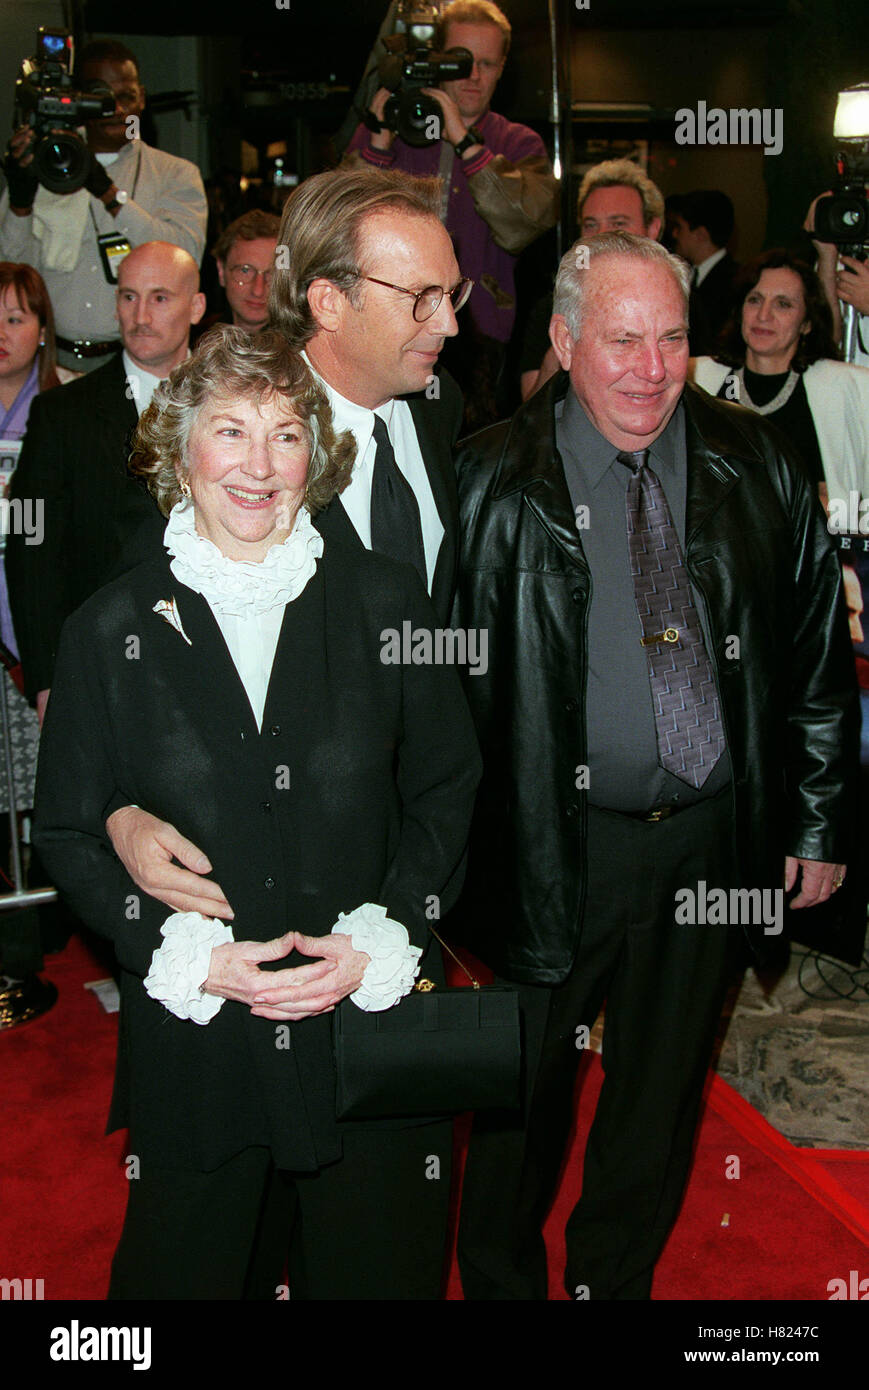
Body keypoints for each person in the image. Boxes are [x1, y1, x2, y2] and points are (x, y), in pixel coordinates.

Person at [32, 325, 481, 1299]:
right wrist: (177, 947)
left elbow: (447, 782)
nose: (259, 463)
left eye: (285, 435)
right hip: (203, 1041)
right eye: (229, 431)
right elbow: (66, 827)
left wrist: (386, 930)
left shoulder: (384, 598)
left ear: (314, 456)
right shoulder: (107, 628)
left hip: (363, 1024)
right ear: (178, 448)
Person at [451, 231, 858, 1300]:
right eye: (621, 339)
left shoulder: (755, 458)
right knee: (517, 1104)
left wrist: (812, 825)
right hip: (551, 850)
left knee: (658, 1098)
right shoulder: (489, 476)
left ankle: (608, 1284)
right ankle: (500, 1285)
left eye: (671, 337)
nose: (649, 368)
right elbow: (445, 696)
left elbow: (813, 657)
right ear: (562, 338)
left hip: (707, 846)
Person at [6, 241, 205, 719]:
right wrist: (47, 677)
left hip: (224, 652)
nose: (139, 315)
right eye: (128, 297)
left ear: (195, 306)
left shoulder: (239, 402)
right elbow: (32, 548)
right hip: (107, 665)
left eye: (159, 298)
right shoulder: (62, 414)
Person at [346, 0, 558, 428]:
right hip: (389, 334)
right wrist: (379, 141)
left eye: (487, 63)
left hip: (482, 341)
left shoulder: (518, 143)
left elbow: (521, 226)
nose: (474, 76)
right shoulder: (388, 129)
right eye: (460, 62)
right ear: (436, 61)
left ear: (502, 68)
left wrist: (462, 137)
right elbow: (339, 225)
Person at [0, 39, 207, 372]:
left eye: (125, 96)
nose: (115, 109)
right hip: (47, 364)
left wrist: (110, 195)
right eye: (100, 97)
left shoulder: (176, 174)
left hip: (134, 364)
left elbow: (185, 258)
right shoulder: (43, 163)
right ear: (79, 100)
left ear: (141, 96)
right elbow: (11, 273)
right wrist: (21, 202)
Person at [690, 249, 869, 508]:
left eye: (783, 304)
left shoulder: (846, 387)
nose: (764, 315)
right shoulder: (696, 377)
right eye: (754, 299)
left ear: (807, 323)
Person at [0, 263, 77, 816]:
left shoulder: (69, 406)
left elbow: (47, 534)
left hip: (40, 608)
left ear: (43, 328)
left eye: (14, 318)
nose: (0, 334)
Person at [519, 158, 664, 399]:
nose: (602, 236)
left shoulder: (679, 307)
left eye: (618, 224)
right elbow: (530, 414)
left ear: (652, 229)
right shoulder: (552, 309)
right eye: (591, 225)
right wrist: (563, 347)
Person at [668, 189, 739, 355]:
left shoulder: (735, 282)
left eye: (680, 228)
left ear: (700, 234)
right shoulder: (680, 274)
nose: (674, 234)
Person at [195, 208, 280, 339]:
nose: (258, 290)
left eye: (272, 275)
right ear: (221, 271)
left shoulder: (308, 352)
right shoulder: (198, 343)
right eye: (245, 270)